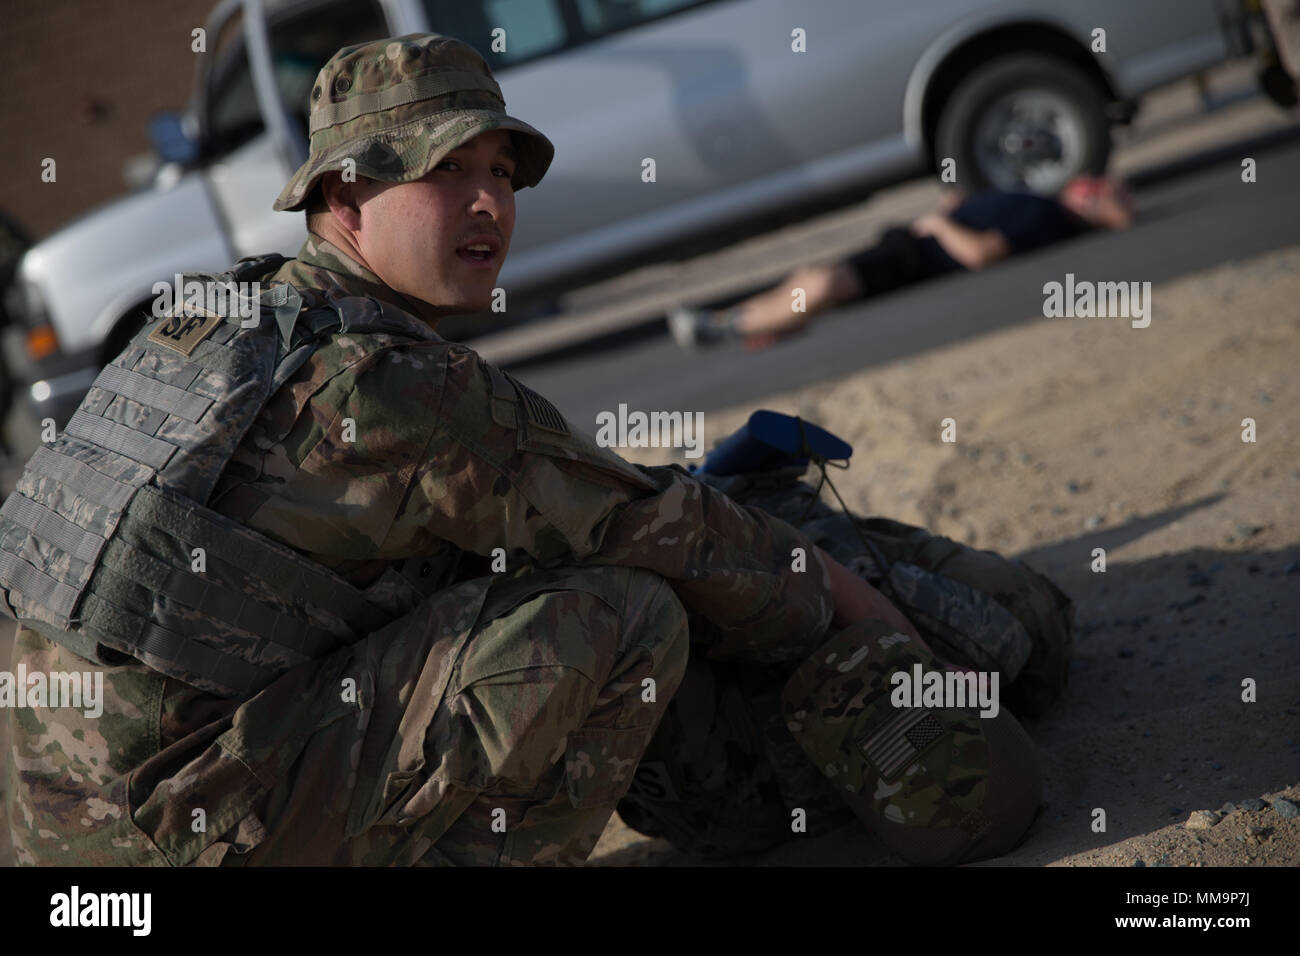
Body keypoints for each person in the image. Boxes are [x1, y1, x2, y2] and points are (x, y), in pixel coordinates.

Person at [2, 34, 1072, 867]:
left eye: (501, 171)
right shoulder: (386, 382)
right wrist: (884, 621)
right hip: (186, 819)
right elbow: (670, 533)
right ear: (343, 194)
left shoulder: (208, 325)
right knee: (619, 608)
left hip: (71, 836)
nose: (488, 203)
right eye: (445, 170)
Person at [669, 176, 1135, 349]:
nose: (1087, 181)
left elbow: (982, 253)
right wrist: (958, 209)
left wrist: (940, 225)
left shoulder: (1045, 215)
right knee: (810, 280)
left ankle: (723, 329)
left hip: (916, 256)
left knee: (822, 285)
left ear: (1090, 200)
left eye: (1100, 188)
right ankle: (733, 321)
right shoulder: (1041, 205)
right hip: (913, 250)